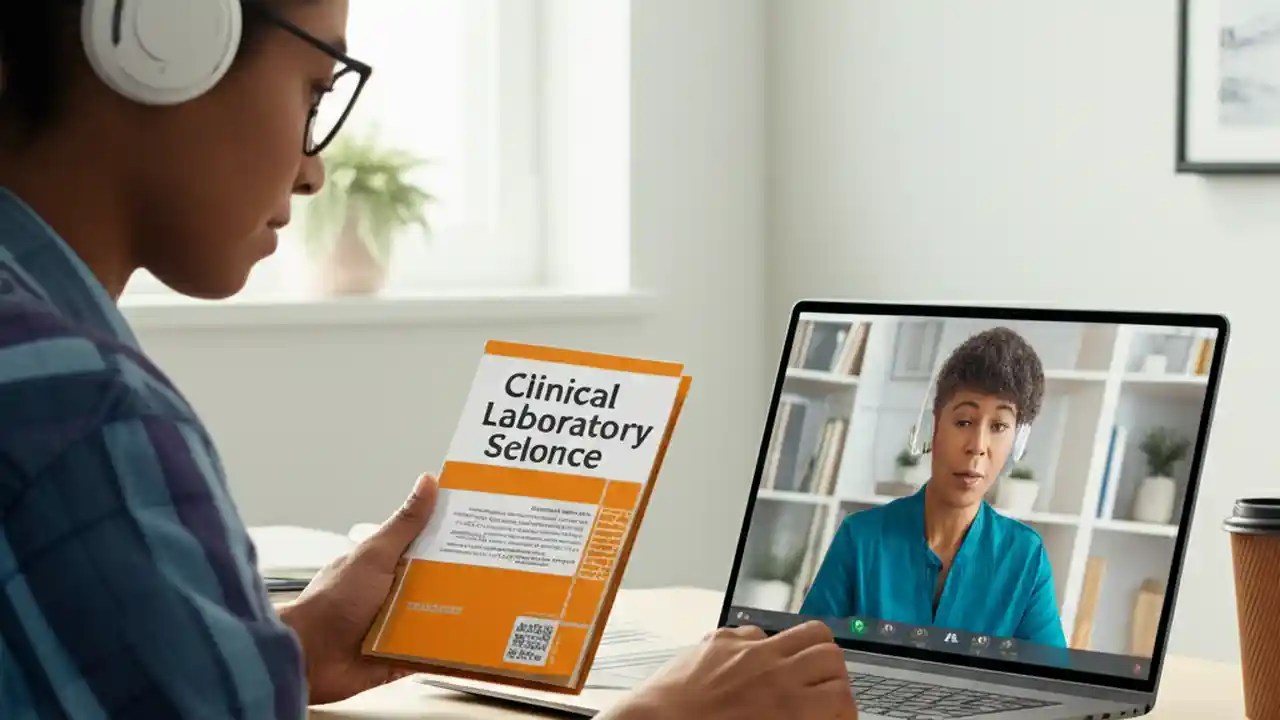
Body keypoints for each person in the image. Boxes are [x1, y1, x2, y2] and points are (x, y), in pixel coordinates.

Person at [0, 2, 858, 718]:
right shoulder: (82, 411)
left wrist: (290, 646)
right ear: (162, 38)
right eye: (314, 92)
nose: (313, 170)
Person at [800, 327, 1067, 648]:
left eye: (998, 426)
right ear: (934, 425)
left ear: (1017, 443)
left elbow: (1050, 685)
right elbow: (803, 661)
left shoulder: (1026, 559)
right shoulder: (860, 538)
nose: (978, 446)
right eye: (964, 421)